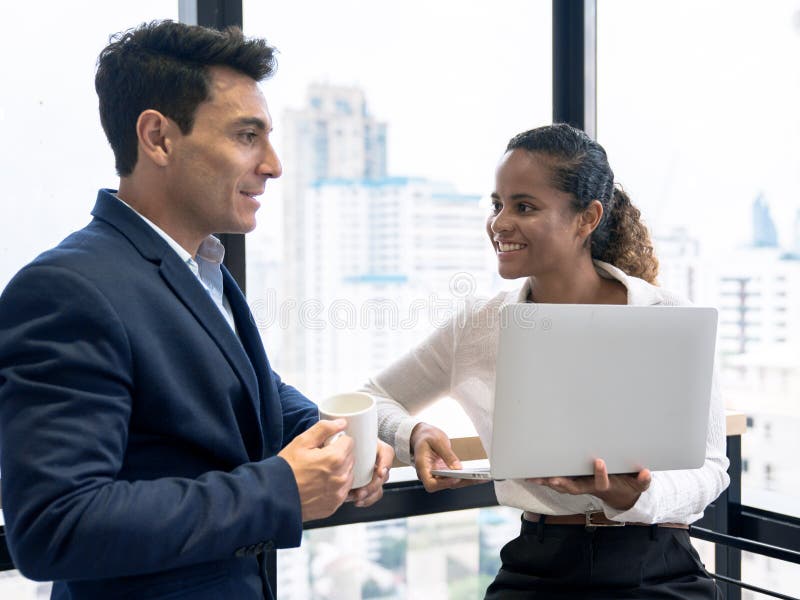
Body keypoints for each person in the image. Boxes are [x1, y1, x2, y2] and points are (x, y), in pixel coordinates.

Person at [0, 20, 393, 600]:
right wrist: (280, 490)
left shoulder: (200, 268)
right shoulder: (66, 289)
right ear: (158, 137)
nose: (273, 164)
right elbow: (56, 525)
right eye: (246, 136)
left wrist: (332, 436)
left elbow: (243, 392)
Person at [364, 123, 729, 598]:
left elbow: (711, 467)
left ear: (587, 218)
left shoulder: (668, 317)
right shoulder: (481, 324)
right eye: (497, 205)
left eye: (524, 206)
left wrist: (636, 496)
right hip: (539, 567)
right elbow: (369, 399)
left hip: (658, 562)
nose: (499, 223)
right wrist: (412, 433)